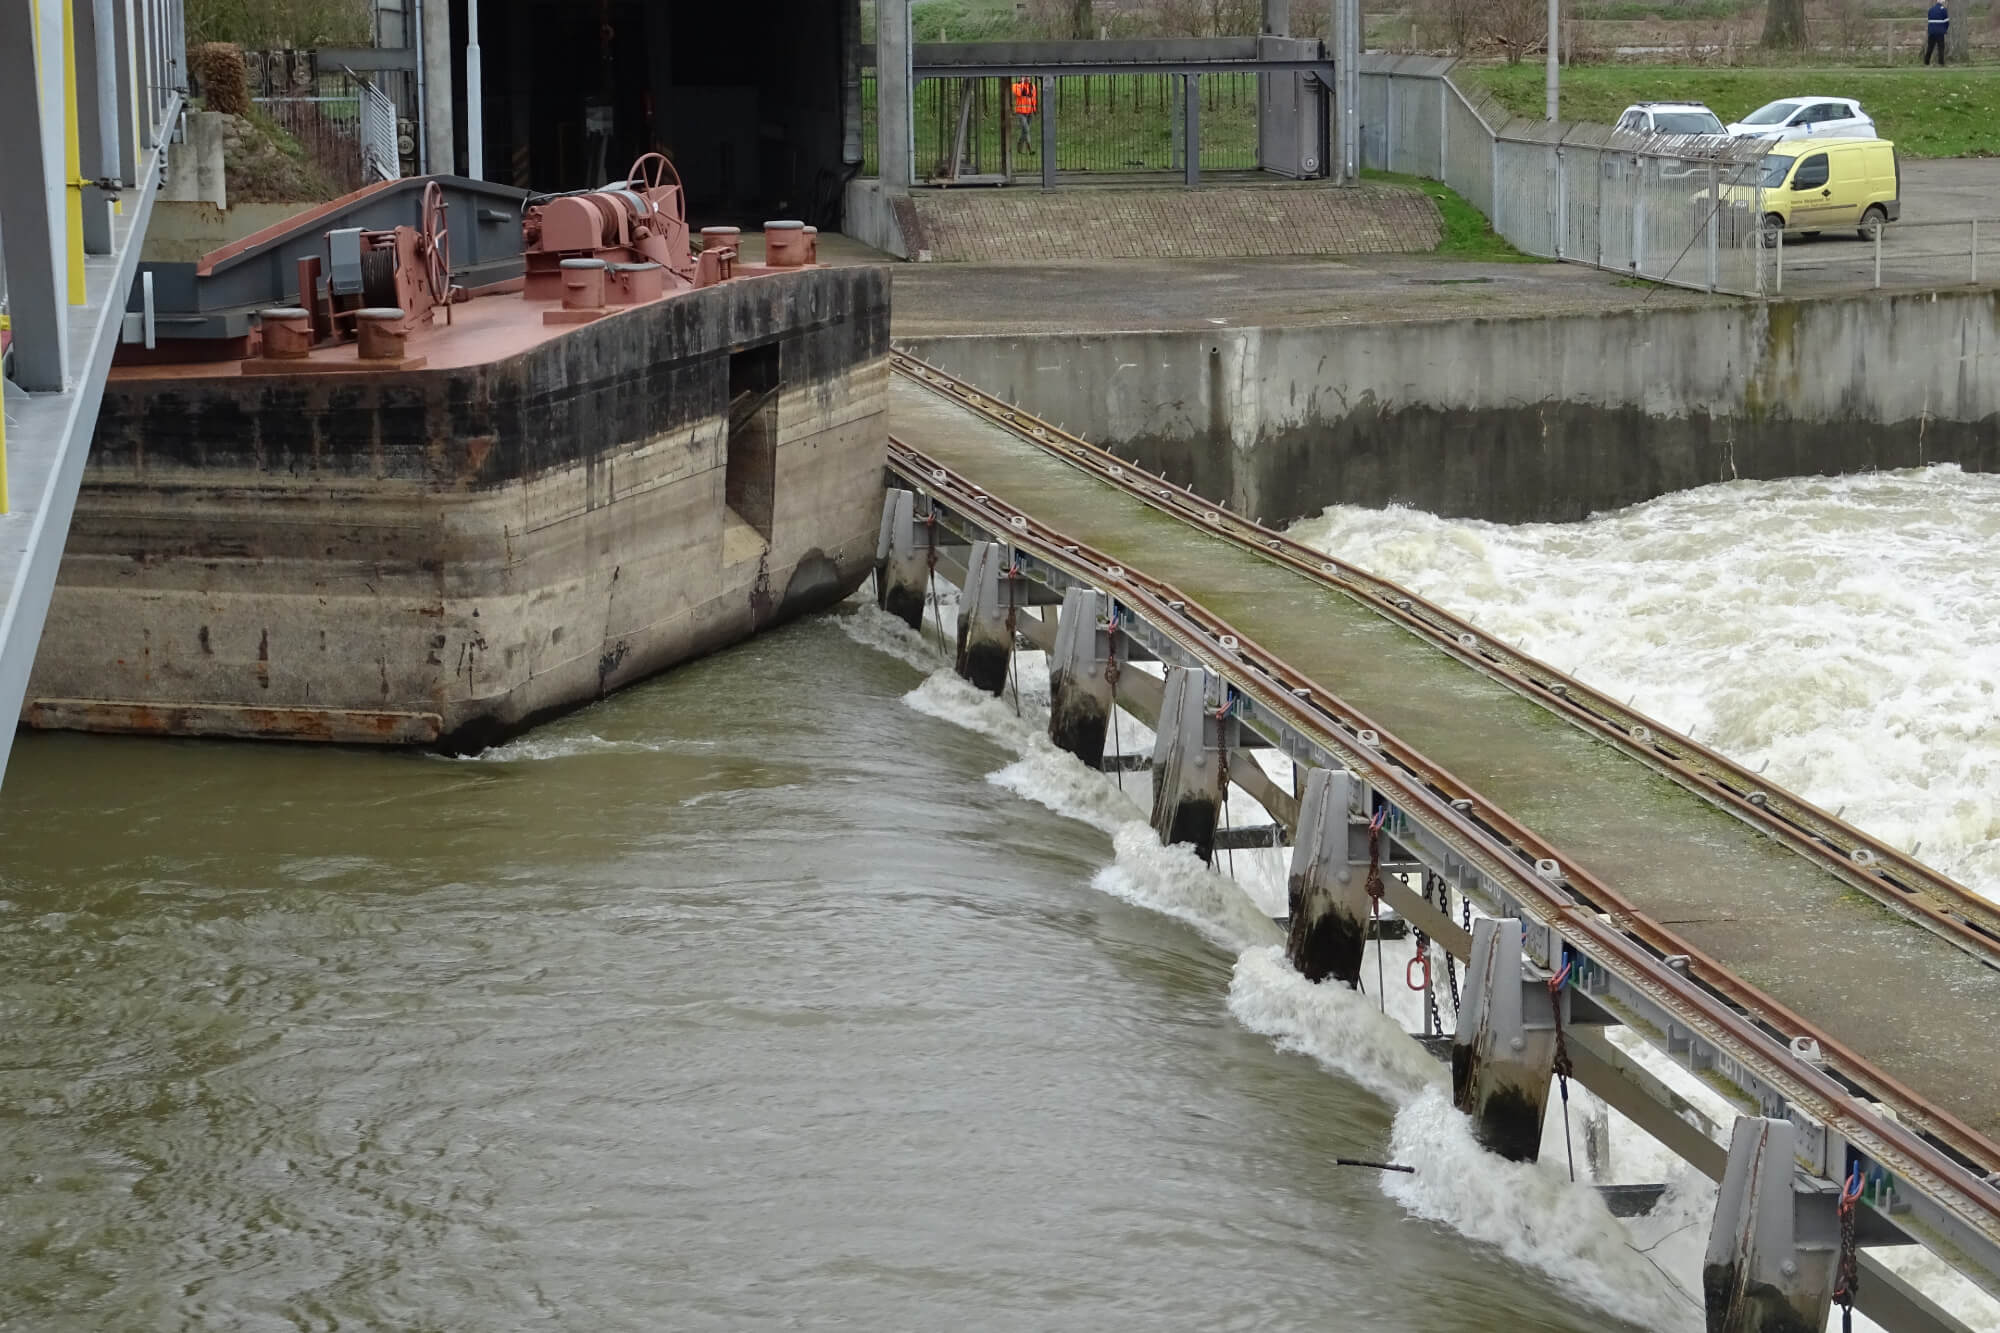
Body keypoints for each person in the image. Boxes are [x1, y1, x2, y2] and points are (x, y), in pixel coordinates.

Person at [1011, 76, 1040, 152]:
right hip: (1020, 112)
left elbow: (1033, 99)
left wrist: (1034, 110)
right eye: (1025, 76)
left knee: (1024, 131)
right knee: (1026, 130)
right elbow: (1019, 93)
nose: (1028, 78)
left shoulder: (1032, 86)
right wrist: (1022, 82)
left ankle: (1019, 146)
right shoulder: (1016, 86)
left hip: (1029, 112)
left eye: (1028, 76)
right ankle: (1030, 149)